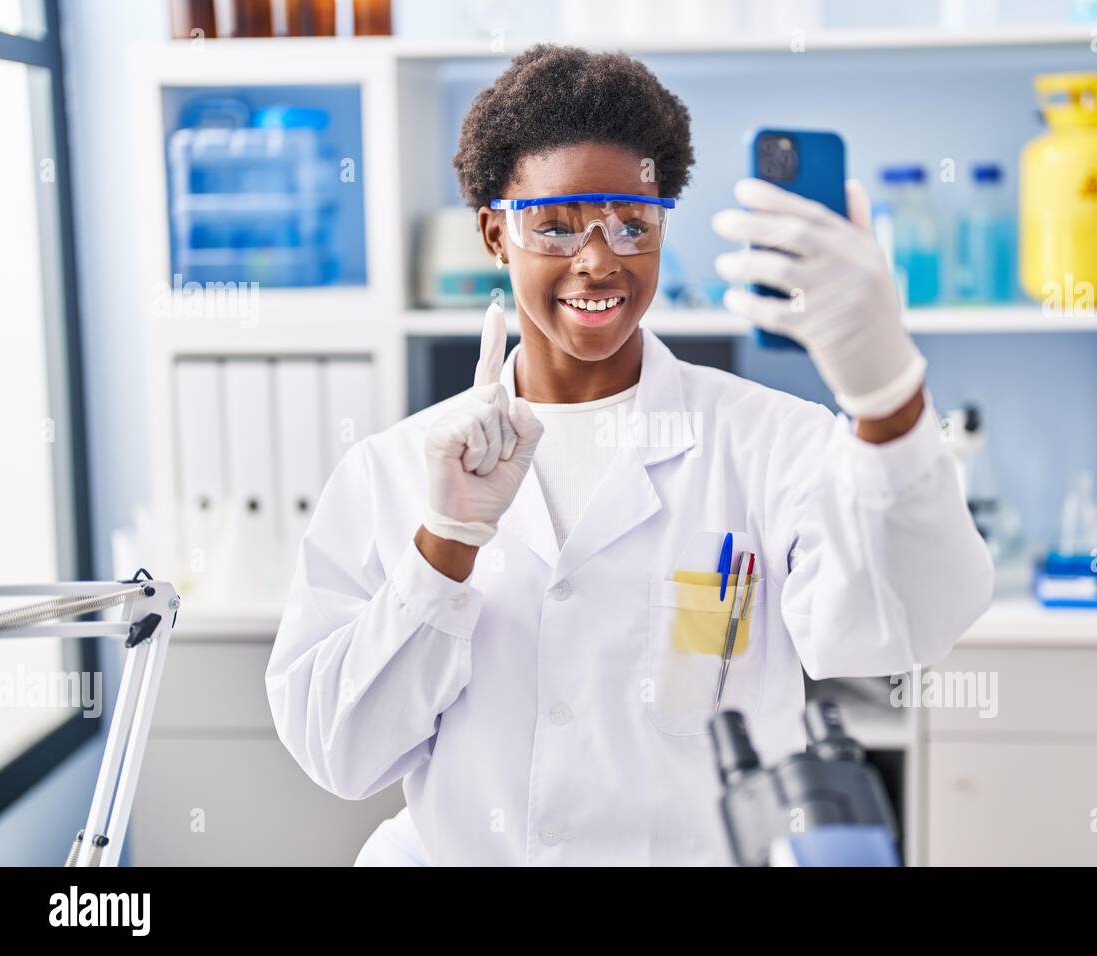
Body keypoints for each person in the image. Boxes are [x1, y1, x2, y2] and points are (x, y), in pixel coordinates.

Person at [266, 43, 993, 866]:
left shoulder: (772, 443)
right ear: (493, 234)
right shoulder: (394, 471)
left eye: (631, 223)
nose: (599, 258)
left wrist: (888, 397)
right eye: (553, 227)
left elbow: (906, 627)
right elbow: (338, 752)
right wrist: (443, 549)